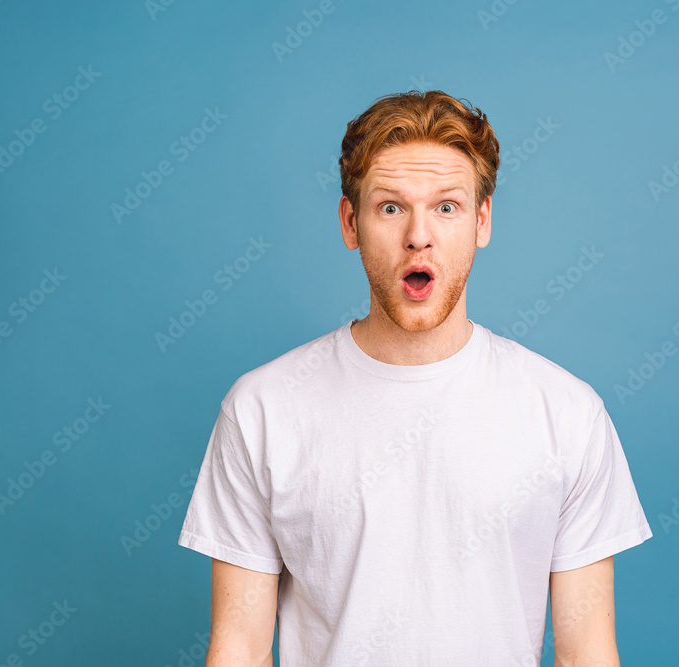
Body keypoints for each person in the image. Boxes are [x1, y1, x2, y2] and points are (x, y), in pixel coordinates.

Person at [178, 90, 653, 666]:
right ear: (351, 223)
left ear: (482, 220)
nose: (418, 236)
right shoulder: (262, 409)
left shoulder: (567, 413)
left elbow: (586, 655)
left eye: (447, 207)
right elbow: (239, 652)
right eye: (391, 207)